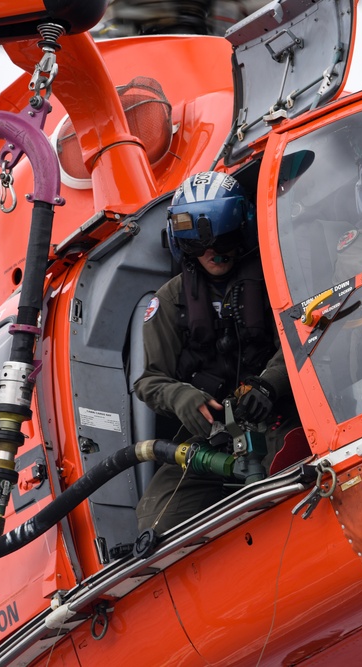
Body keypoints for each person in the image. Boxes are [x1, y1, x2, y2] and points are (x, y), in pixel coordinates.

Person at [134, 170, 295, 533]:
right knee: (158, 520)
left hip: (280, 414)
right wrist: (181, 396)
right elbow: (150, 381)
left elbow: (304, 333)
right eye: (197, 244)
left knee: (284, 477)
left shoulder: (277, 274)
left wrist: (269, 385)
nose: (212, 253)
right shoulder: (171, 301)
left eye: (223, 239)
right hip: (214, 434)